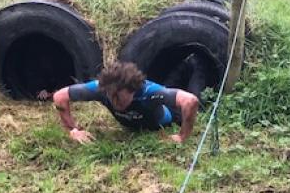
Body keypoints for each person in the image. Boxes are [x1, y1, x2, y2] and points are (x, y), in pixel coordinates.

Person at [50, 61, 200, 144]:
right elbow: (59, 96)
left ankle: (195, 63)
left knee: (196, 93)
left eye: (120, 97)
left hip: (171, 115)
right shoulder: (101, 89)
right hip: (146, 115)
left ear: (133, 90)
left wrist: (182, 136)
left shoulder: (149, 92)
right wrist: (72, 130)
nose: (115, 102)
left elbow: (190, 101)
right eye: (111, 96)